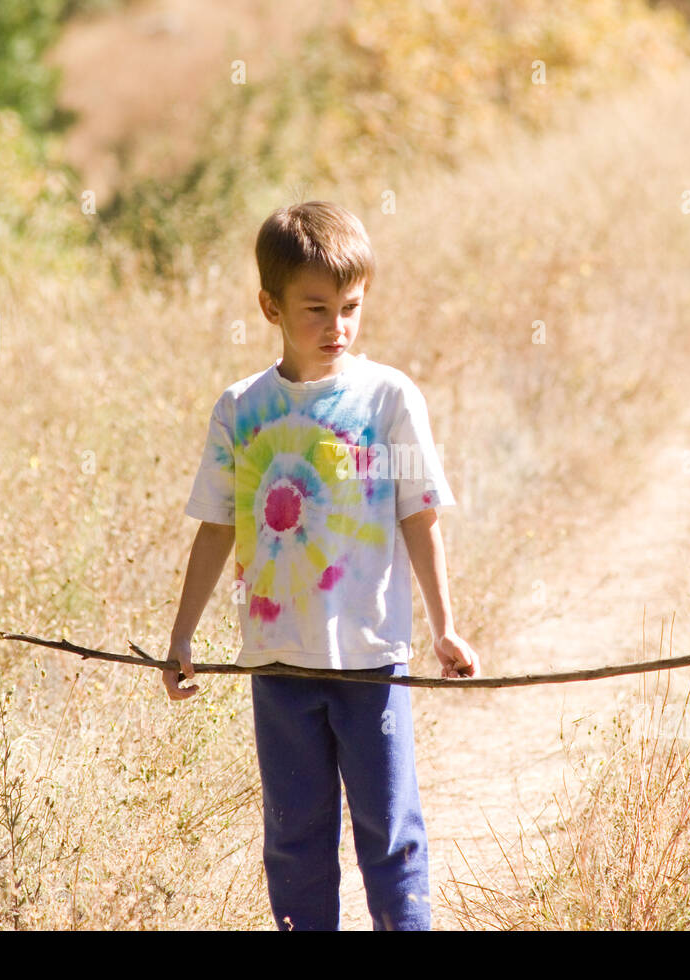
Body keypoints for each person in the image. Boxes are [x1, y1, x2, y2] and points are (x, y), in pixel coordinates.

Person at [160, 199, 479, 931]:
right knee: (296, 843)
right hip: (279, 668)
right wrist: (180, 639)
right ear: (269, 305)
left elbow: (418, 516)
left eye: (351, 307)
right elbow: (214, 528)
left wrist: (444, 628)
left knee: (390, 839)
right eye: (316, 309)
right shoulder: (240, 409)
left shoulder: (389, 398)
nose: (337, 327)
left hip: (372, 663)